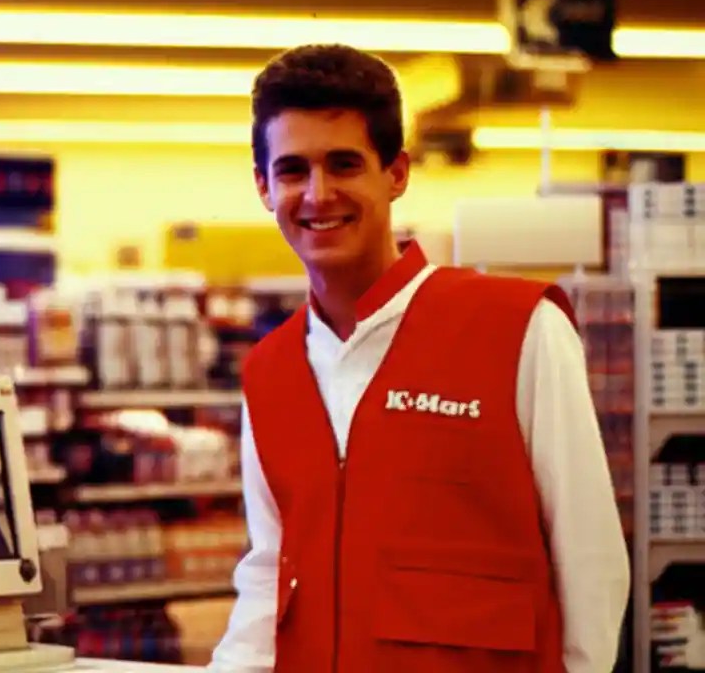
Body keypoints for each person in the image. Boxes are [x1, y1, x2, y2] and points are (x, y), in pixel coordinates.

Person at [209, 44, 630, 672]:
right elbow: (270, 571)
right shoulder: (268, 371)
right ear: (264, 188)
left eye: (344, 164)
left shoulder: (520, 329)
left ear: (396, 174)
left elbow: (590, 558)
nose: (318, 194)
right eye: (293, 170)